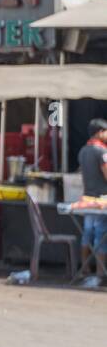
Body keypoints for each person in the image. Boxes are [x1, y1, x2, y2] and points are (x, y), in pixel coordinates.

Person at [74, 118, 107, 281]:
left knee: (87, 233)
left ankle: (85, 267)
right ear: (100, 132)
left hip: (87, 200)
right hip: (101, 201)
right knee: (100, 234)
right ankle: (101, 271)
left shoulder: (83, 151)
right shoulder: (102, 152)